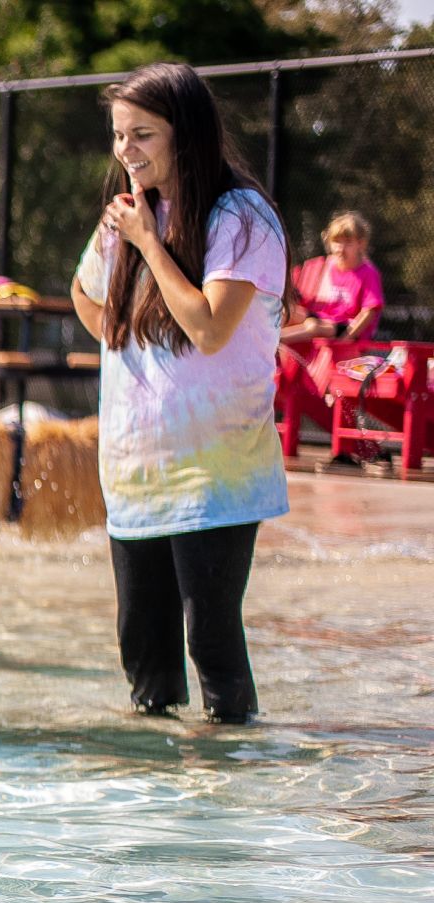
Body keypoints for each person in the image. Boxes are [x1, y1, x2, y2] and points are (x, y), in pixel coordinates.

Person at [69, 62, 289, 726]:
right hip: (136, 471)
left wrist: (148, 243)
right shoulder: (130, 214)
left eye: (142, 135)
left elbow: (210, 329)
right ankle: (155, 786)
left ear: (185, 132)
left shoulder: (240, 216)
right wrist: (128, 333)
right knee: (144, 654)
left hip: (215, 472)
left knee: (211, 642)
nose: (126, 151)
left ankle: (231, 777)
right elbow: (84, 293)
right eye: (119, 135)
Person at [282, 211, 383, 345]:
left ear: (361, 243)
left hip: (345, 327)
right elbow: (295, 295)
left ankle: (274, 342)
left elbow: (368, 312)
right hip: (320, 318)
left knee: (313, 326)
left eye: (348, 242)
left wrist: (346, 339)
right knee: (286, 312)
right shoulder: (324, 267)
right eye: (336, 242)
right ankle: (267, 342)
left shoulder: (368, 273)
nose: (341, 248)